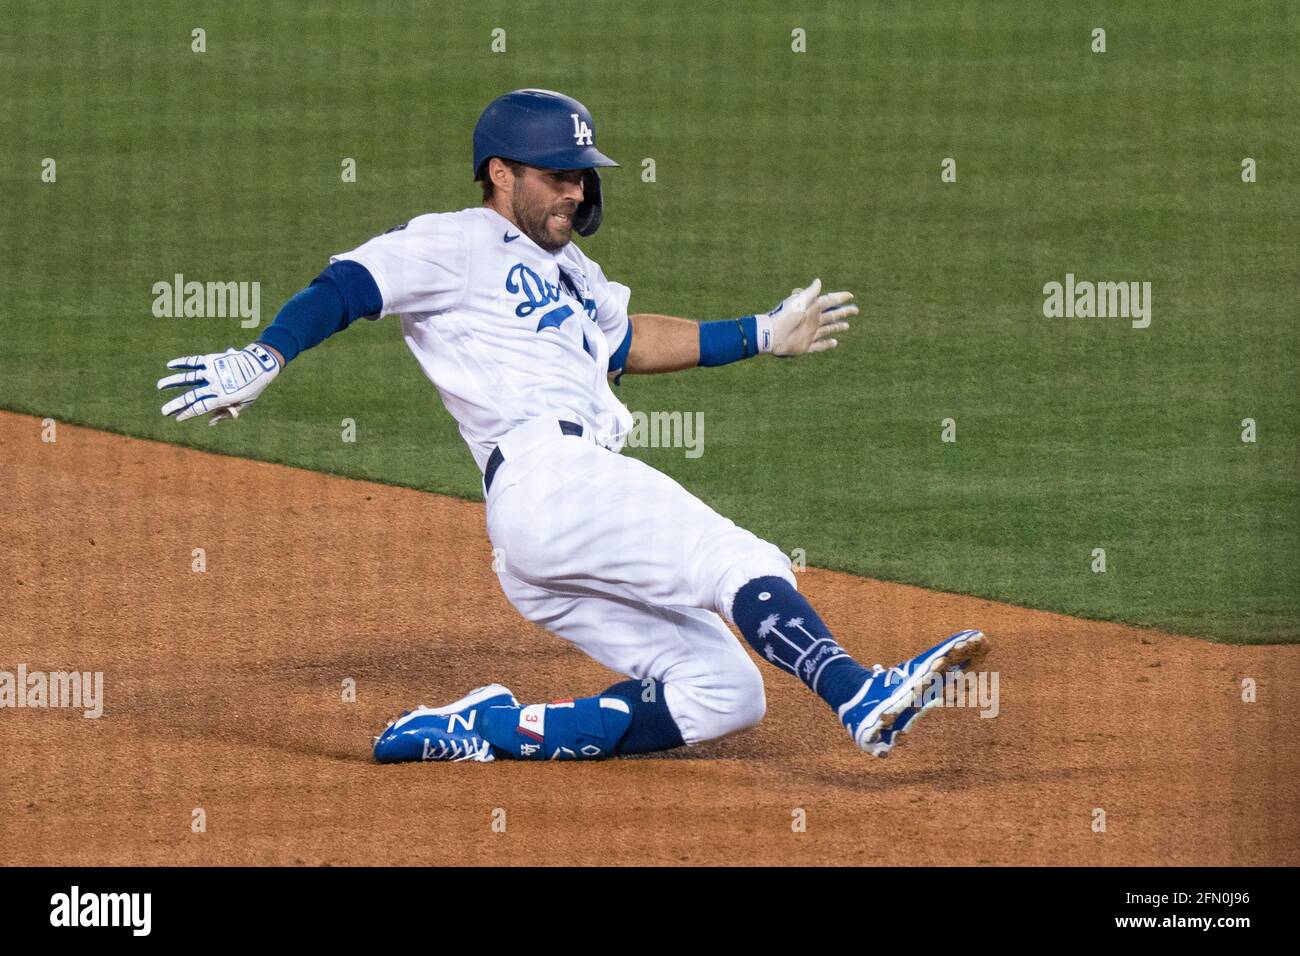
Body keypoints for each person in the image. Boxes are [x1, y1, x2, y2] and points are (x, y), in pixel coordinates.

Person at [157, 88, 987, 763]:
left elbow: (627, 341)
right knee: (736, 559)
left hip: (546, 531)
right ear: (499, 172)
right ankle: (857, 692)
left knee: (725, 695)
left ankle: (485, 729)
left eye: (582, 175)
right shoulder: (456, 242)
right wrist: (264, 357)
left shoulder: (573, 272)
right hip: (549, 481)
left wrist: (759, 333)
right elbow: (346, 284)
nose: (577, 190)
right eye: (557, 174)